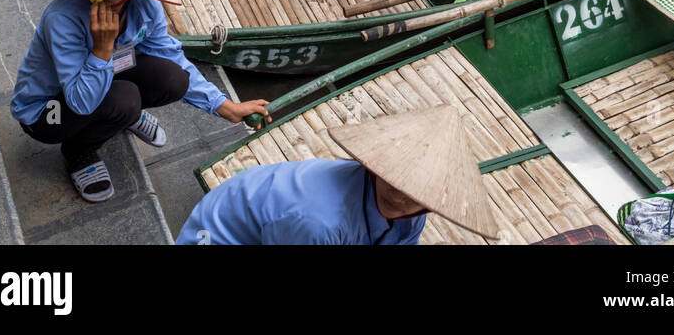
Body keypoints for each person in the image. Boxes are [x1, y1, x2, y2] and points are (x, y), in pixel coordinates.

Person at [11, 0, 270, 202]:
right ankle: (79, 151)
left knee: (173, 79)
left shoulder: (145, 6)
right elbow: (80, 101)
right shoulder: (62, 19)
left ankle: (119, 115)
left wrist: (223, 105)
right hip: (47, 111)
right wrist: (102, 47)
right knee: (125, 100)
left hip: (103, 80)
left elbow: (170, 56)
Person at [176, 104, 498, 245]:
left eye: (418, 192)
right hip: (215, 236)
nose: (402, 193)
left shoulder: (412, 218)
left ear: (431, 204)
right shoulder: (320, 224)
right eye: (397, 175)